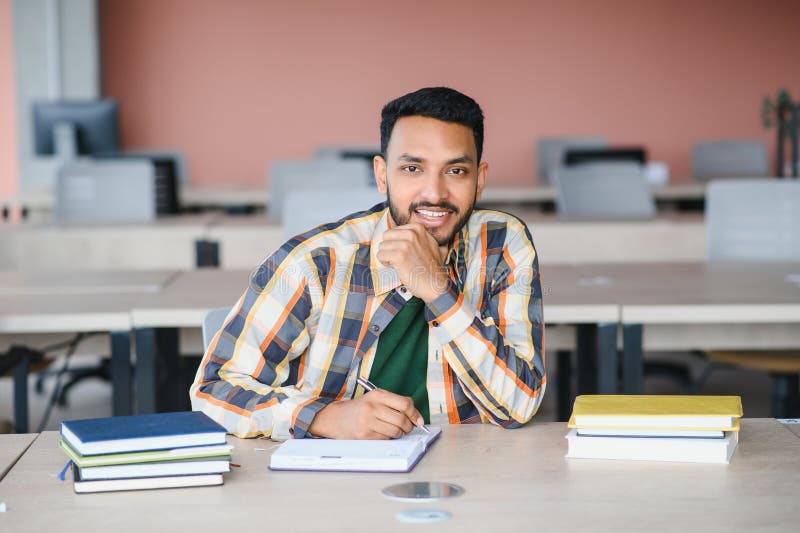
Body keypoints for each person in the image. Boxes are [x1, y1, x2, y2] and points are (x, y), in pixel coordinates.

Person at [190, 87, 545, 440]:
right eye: (411, 168)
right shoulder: (317, 261)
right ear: (381, 174)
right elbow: (211, 392)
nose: (434, 193)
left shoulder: (502, 245)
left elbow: (517, 404)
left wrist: (437, 288)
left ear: (479, 180)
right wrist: (321, 417)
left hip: (470, 476)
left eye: (455, 171)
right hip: (335, 484)